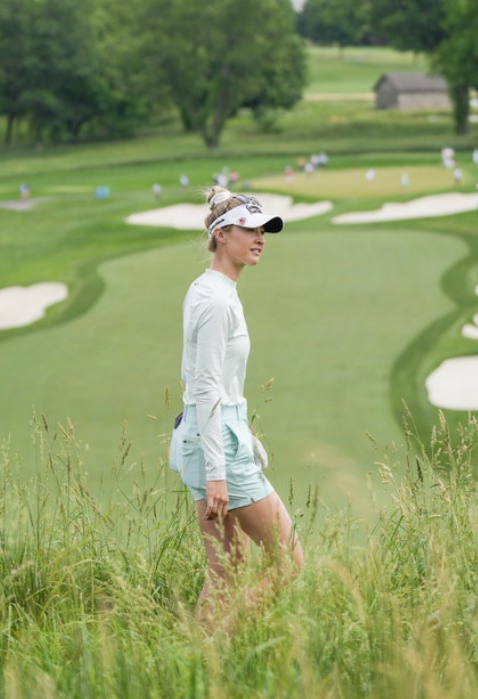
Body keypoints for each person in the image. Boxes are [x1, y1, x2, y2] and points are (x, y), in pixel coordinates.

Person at [169, 187, 303, 628]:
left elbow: (213, 384)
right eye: (249, 228)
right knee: (290, 561)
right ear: (222, 234)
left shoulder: (212, 289)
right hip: (214, 445)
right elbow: (205, 389)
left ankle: (202, 665)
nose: (260, 236)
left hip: (212, 435)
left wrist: (243, 433)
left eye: (263, 229)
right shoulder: (215, 301)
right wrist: (218, 472)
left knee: (225, 571)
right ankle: (223, 646)